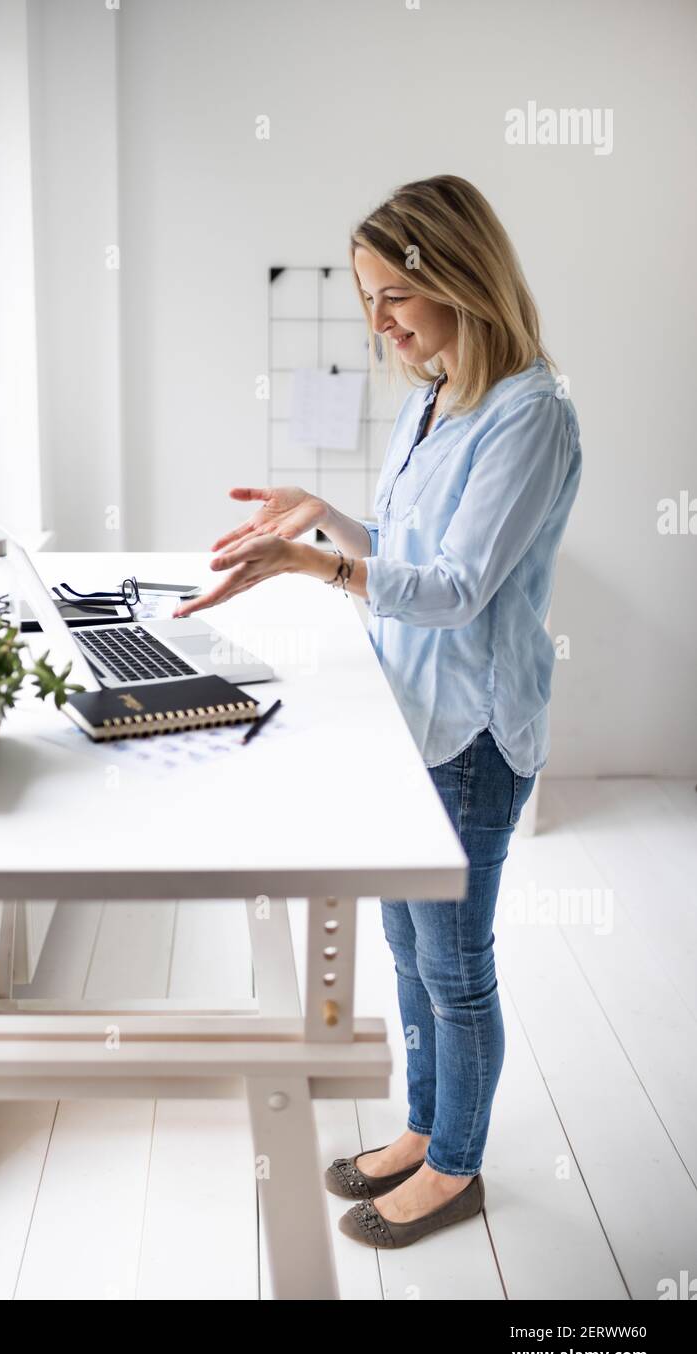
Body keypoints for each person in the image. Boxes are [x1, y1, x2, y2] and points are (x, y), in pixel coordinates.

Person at [173, 174, 582, 1250]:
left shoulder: (529, 414)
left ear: (458, 276)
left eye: (393, 294)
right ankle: (421, 1127)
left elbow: (452, 587)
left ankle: (454, 1167)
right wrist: (327, 517)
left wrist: (316, 563)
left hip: (471, 735)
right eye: (366, 298)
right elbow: (404, 551)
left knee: (453, 965)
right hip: (410, 722)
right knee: (404, 953)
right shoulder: (432, 395)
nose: (378, 320)